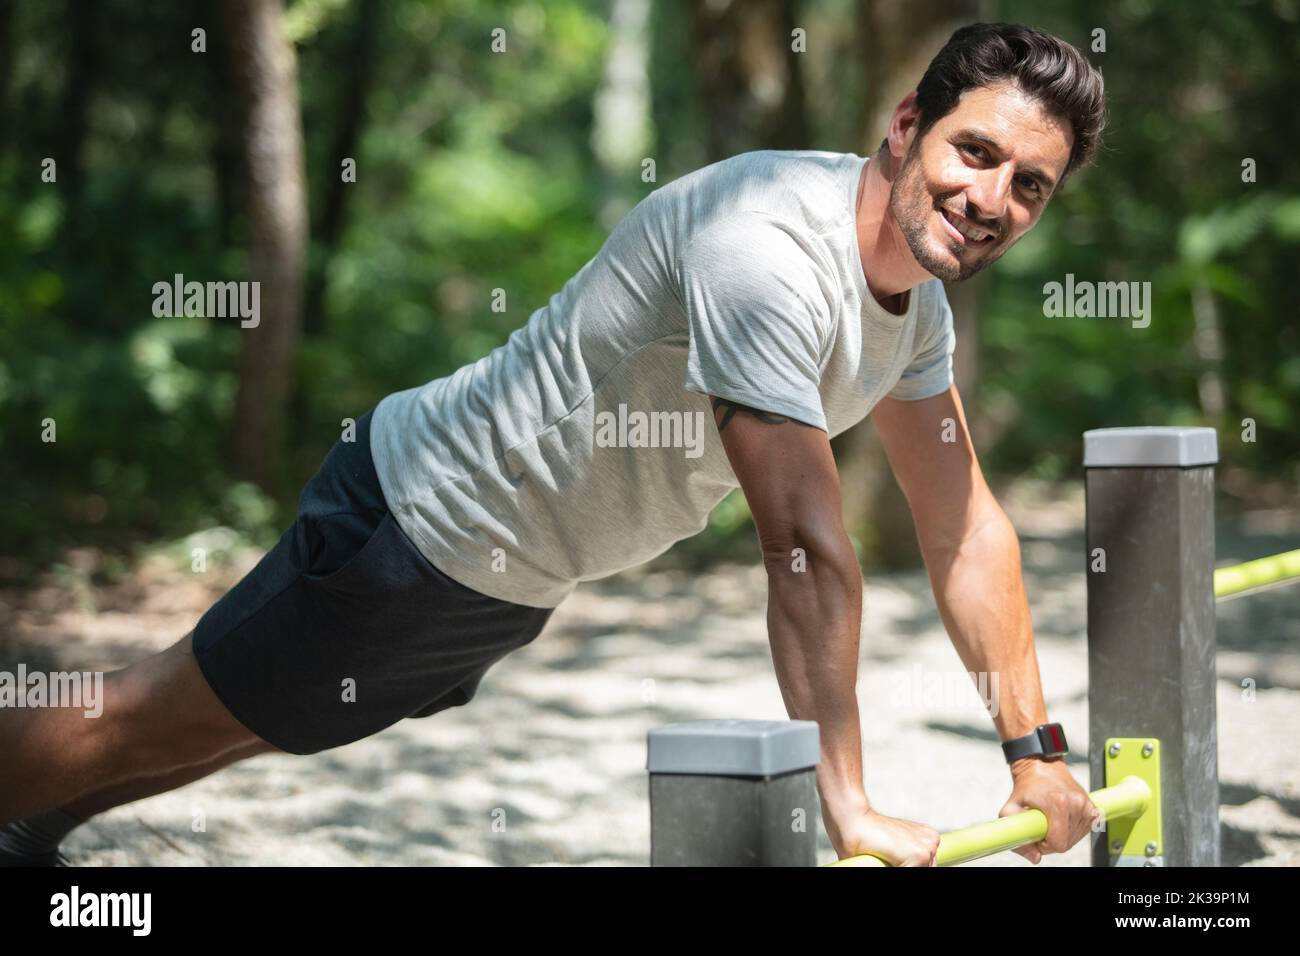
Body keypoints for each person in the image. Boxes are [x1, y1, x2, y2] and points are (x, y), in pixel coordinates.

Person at [1, 21, 1106, 867]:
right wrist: (846, 797)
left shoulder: (914, 315)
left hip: (505, 582)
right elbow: (807, 543)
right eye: (976, 151)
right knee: (141, 717)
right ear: (908, 123)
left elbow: (962, 527)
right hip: (422, 527)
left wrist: (1035, 752)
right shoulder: (769, 243)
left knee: (238, 725)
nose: (991, 199)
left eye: (1029, 186)